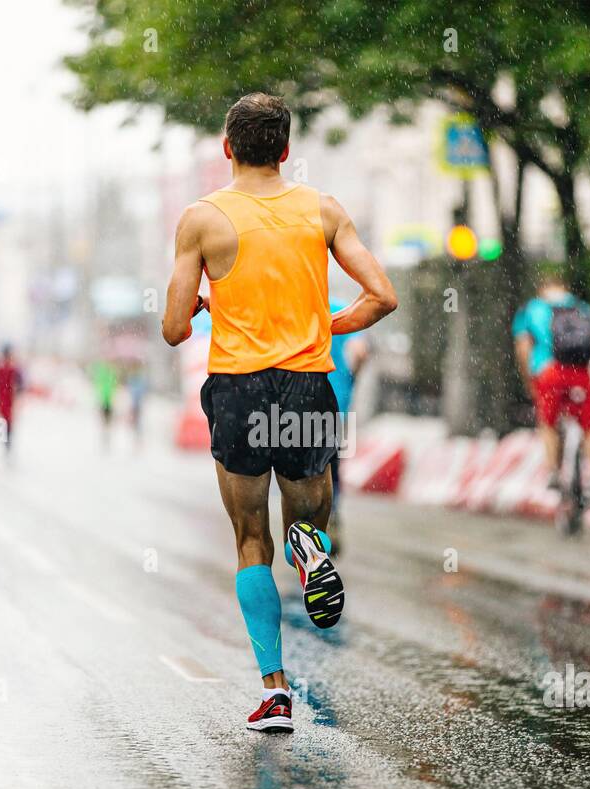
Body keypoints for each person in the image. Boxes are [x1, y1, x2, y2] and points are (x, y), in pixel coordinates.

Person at [161, 92, 397, 734]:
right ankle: (312, 549)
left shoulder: (202, 219)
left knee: (248, 541)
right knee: (305, 519)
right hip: (306, 388)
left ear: (227, 147)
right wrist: (328, 324)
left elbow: (175, 329)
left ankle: (275, 691)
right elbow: (383, 296)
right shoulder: (320, 210)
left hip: (239, 390)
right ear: (287, 151)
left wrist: (208, 302)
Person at [513, 270, 590, 503]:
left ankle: (553, 473)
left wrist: (529, 379)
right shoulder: (583, 309)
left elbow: (523, 348)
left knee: (547, 423)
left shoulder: (531, 310)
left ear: (542, 288)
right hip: (581, 374)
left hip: (549, 374)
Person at [325, 300, 371, 557]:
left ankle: (306, 523)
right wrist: (353, 377)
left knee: (300, 465)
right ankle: (330, 515)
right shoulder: (342, 310)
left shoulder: (299, 305)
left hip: (296, 401)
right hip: (335, 402)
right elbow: (360, 351)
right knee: (331, 465)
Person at [0, 345, 23, 453]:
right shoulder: (14, 369)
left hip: (1, 400)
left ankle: (2, 443)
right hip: (9, 400)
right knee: (8, 423)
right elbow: (21, 384)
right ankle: (7, 445)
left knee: (1, 421)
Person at [91, 358, 118, 451]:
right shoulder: (106, 378)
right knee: (105, 422)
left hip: (108, 403)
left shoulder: (109, 378)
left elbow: (113, 389)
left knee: (107, 423)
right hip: (105, 403)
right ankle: (105, 436)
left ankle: (106, 436)